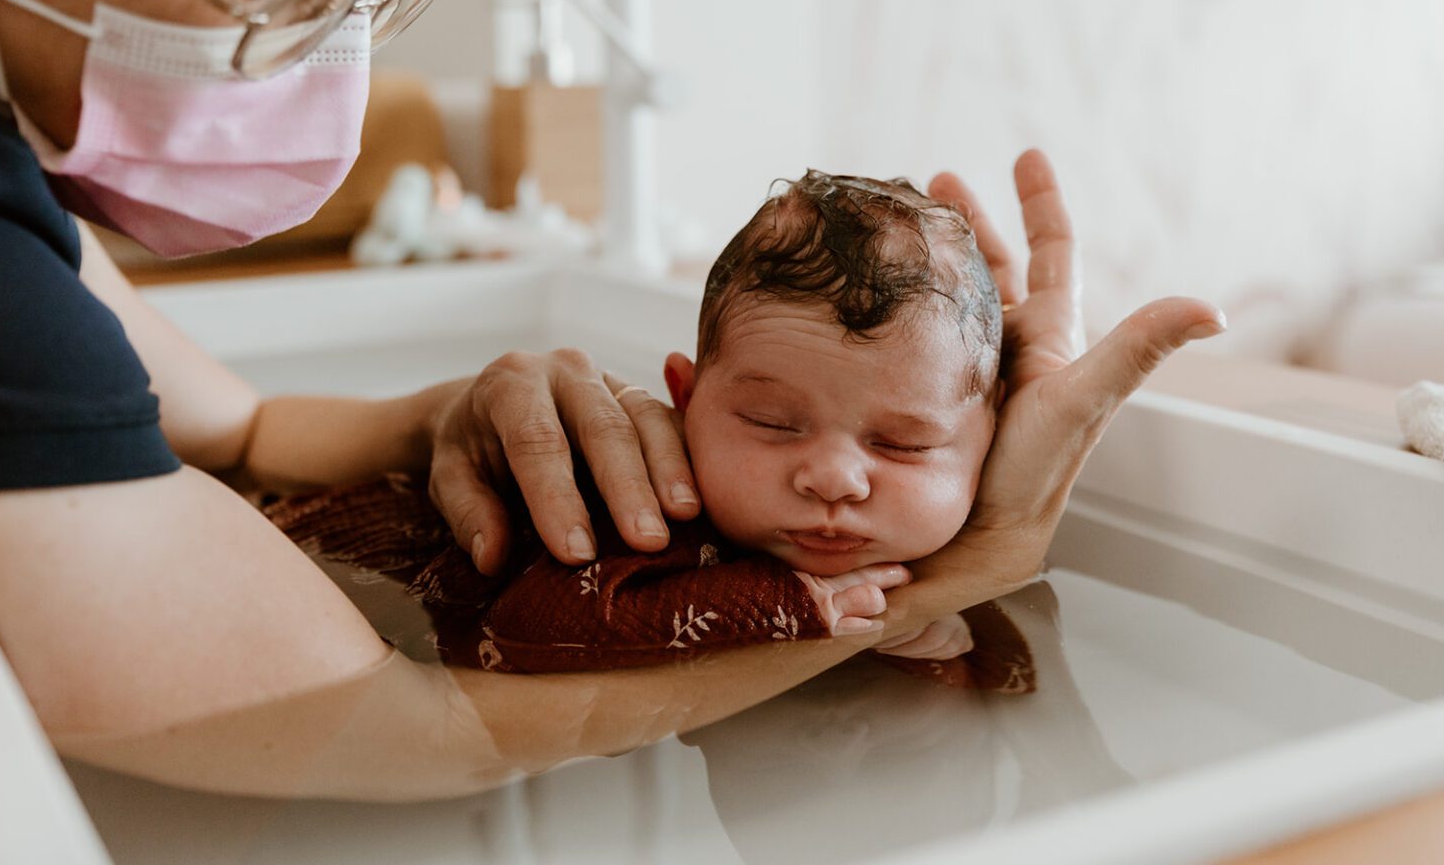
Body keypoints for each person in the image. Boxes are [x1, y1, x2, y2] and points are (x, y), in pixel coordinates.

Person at [0, 0, 1224, 799]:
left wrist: (452, 408)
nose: (304, 47)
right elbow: (410, 728)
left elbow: (246, 424)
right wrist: (955, 572)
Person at [265, 169, 1030, 687]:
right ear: (685, 400)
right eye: (771, 424)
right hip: (295, 546)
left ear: (985, 436)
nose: (832, 478)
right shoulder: (646, 506)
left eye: (904, 444)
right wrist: (784, 610)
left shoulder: (932, 539)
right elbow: (535, 626)